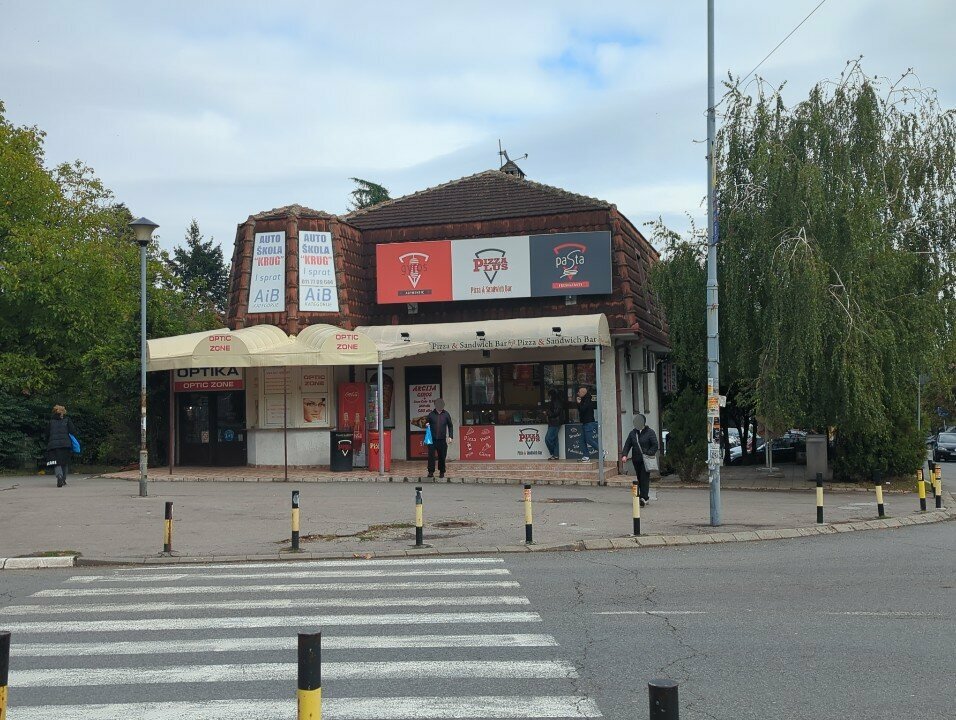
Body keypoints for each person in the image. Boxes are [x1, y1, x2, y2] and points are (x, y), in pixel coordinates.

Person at [621, 414, 659, 505]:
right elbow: (627, 445)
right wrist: (624, 455)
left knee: (644, 478)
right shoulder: (632, 433)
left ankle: (644, 498)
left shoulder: (650, 432)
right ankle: (641, 497)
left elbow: (655, 445)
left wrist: (648, 452)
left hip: (646, 459)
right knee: (639, 478)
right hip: (636, 459)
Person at [46, 404, 78, 488]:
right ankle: (63, 479)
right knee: (64, 462)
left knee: (57, 462)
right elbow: (73, 431)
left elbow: (47, 433)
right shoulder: (67, 420)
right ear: (63, 412)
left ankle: (59, 476)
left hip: (53, 445)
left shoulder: (51, 421)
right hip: (66, 444)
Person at [426, 398, 454, 478]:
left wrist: (450, 436)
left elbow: (450, 426)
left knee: (442, 456)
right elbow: (426, 424)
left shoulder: (446, 414)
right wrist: (426, 425)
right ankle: (430, 471)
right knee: (431, 456)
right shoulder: (431, 414)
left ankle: (442, 471)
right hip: (432, 439)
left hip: (442, 440)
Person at [576, 386, 597, 461]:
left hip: (589, 423)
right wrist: (579, 403)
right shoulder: (584, 399)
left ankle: (602, 452)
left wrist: (578, 403)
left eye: (579, 392)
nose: (577, 393)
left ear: (583, 393)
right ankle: (586, 456)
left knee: (589, 440)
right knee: (583, 440)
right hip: (585, 422)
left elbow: (582, 409)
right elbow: (581, 410)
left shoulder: (587, 400)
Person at [545, 389, 564, 460]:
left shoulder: (556, 402)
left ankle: (553, 453)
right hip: (554, 422)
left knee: (548, 439)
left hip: (555, 423)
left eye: (549, 395)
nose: (548, 397)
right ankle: (556, 455)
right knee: (555, 440)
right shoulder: (556, 401)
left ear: (551, 395)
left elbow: (556, 413)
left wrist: (547, 413)